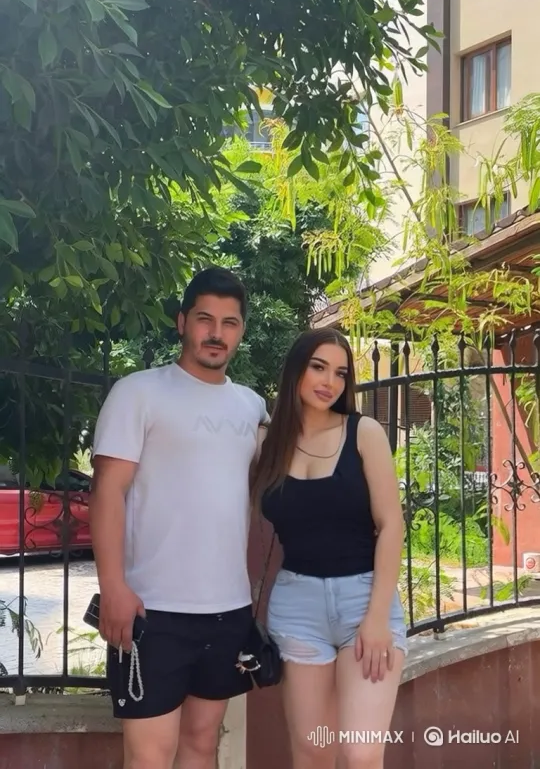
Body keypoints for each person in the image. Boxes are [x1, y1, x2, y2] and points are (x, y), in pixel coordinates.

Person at [89, 267, 268, 769]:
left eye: (229, 323)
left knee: (201, 745)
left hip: (228, 610)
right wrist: (113, 587)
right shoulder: (138, 392)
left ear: (241, 331)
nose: (216, 333)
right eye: (205, 319)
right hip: (152, 611)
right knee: (150, 756)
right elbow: (108, 491)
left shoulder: (251, 407)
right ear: (182, 322)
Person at [250, 328, 407, 769]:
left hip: (364, 600)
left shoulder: (364, 433)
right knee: (313, 750)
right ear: (295, 370)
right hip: (297, 606)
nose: (330, 381)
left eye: (340, 372)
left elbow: (391, 524)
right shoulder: (265, 444)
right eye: (318, 366)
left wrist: (377, 618)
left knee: (360, 752)